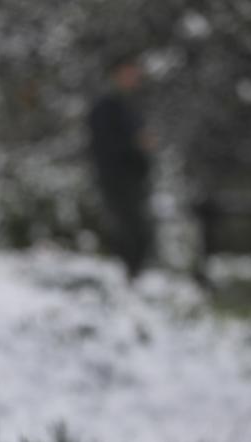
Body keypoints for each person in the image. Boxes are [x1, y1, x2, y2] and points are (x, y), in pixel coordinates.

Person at [88, 53, 154, 282]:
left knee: (140, 228)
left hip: (135, 178)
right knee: (127, 228)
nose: (134, 77)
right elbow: (104, 144)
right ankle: (127, 276)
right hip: (117, 178)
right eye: (128, 73)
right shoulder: (106, 106)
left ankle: (135, 277)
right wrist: (136, 144)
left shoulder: (133, 104)